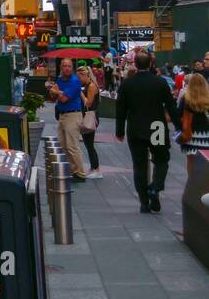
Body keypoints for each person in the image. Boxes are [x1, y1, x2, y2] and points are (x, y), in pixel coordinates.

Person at [115, 48, 179, 214]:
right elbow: (171, 106)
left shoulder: (127, 84)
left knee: (140, 165)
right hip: (156, 127)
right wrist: (179, 126)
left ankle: (144, 202)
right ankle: (155, 187)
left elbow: (120, 110)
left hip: (136, 128)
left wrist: (119, 131)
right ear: (151, 63)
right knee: (161, 159)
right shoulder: (160, 82)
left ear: (135, 64)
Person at [46, 58, 89, 184]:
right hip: (62, 115)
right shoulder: (60, 79)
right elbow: (53, 96)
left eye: (69, 66)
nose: (67, 68)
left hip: (73, 116)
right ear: (61, 67)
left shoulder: (75, 81)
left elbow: (64, 98)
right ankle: (72, 171)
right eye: (64, 66)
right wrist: (55, 92)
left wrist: (56, 91)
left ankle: (80, 173)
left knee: (72, 146)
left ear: (72, 68)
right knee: (64, 145)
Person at [178, 72, 209, 176]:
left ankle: (192, 182)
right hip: (206, 136)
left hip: (190, 135)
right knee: (205, 162)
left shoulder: (186, 98)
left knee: (190, 161)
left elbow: (179, 115)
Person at [78, 64, 103, 179]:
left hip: (91, 116)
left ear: (85, 75)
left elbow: (88, 103)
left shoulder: (92, 86)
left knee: (89, 144)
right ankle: (93, 167)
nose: (79, 79)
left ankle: (96, 169)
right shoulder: (87, 85)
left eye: (80, 77)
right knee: (88, 144)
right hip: (88, 115)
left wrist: (81, 94)